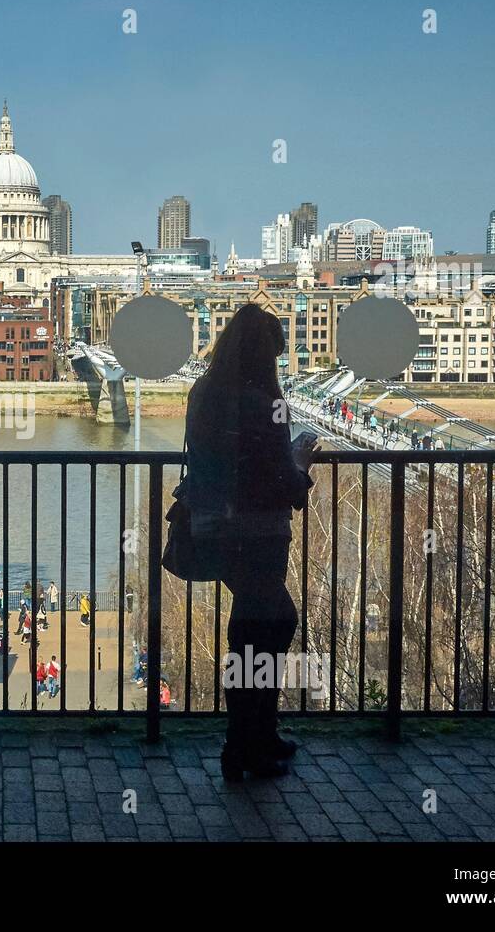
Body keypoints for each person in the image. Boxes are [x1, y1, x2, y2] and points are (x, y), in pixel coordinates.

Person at [183, 303, 317, 782]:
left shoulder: (205, 392)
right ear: (266, 356)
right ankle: (246, 745)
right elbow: (283, 482)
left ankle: (255, 736)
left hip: (214, 527)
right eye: (277, 356)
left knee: (252, 632)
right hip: (257, 533)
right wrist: (300, 457)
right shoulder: (265, 403)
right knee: (271, 628)